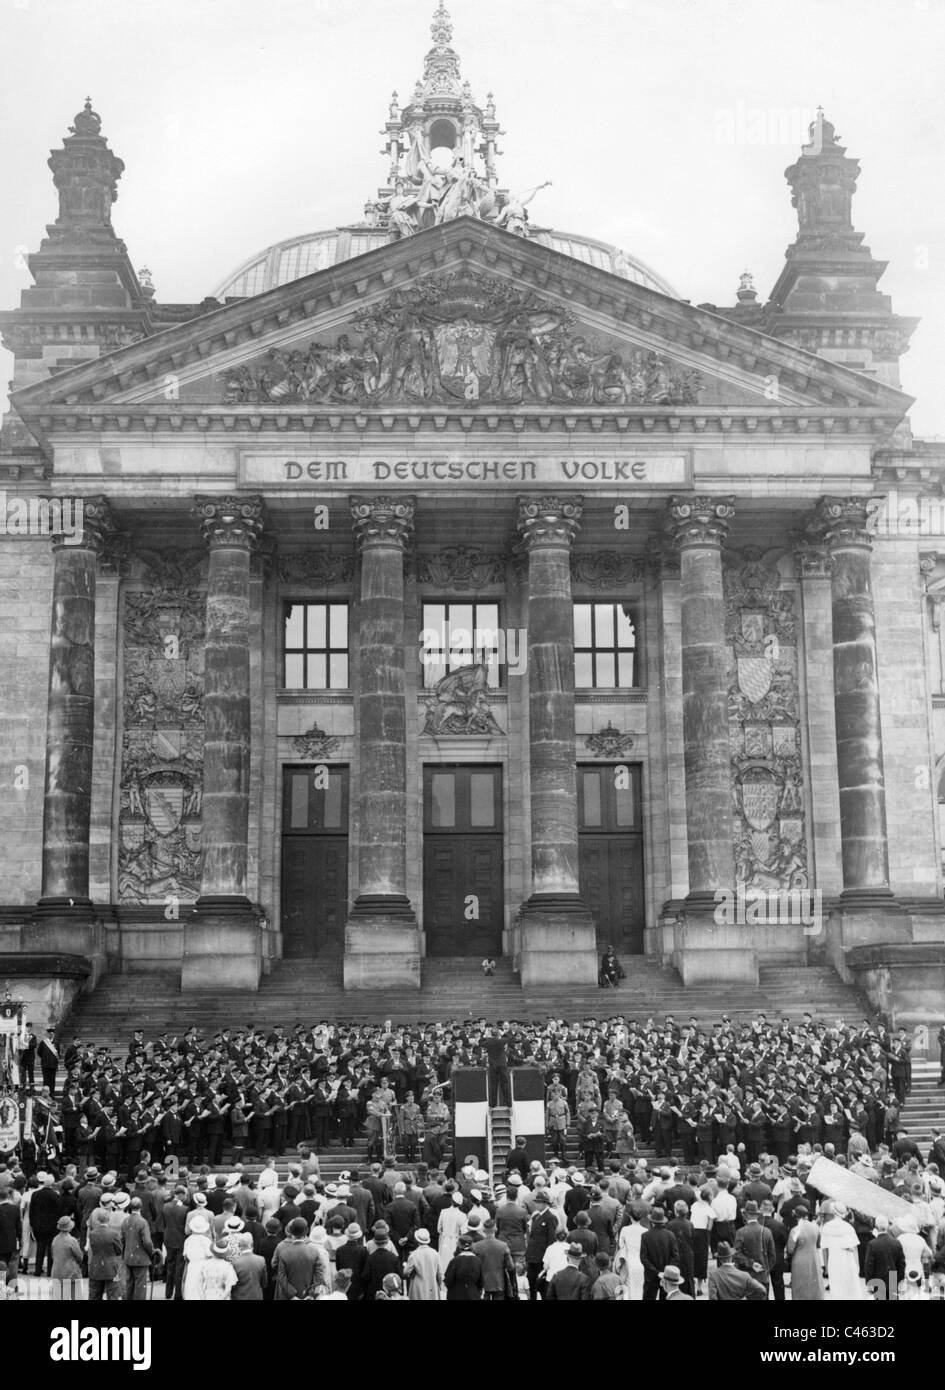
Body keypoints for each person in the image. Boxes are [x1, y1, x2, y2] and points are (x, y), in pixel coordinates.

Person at [820, 1203, 863, 1300]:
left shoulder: (826, 1227)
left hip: (833, 1260)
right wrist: (857, 1267)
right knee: (848, 1288)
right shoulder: (848, 1228)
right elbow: (853, 1249)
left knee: (836, 1288)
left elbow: (824, 1249)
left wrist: (826, 1266)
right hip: (847, 1260)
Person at [784, 1204, 824, 1301]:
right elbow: (818, 1244)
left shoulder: (795, 1230)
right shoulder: (815, 1227)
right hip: (814, 1260)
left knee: (800, 1287)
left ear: (795, 1216)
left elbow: (790, 1249)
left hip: (799, 1261)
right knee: (814, 1287)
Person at [120, 1195, 154, 1301]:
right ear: (141, 1207)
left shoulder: (125, 1221)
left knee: (129, 1284)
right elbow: (147, 1242)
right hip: (140, 1258)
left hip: (128, 1256)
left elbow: (122, 1240)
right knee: (140, 1286)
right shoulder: (142, 1222)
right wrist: (152, 1252)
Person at [87, 1209, 123, 1302]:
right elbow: (119, 1250)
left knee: (95, 1294)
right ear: (108, 1220)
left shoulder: (92, 1234)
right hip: (111, 1266)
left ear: (98, 1220)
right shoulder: (114, 1234)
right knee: (112, 1294)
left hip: (96, 1266)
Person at [403, 1228, 442, 1300]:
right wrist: (439, 1285)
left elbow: (406, 1273)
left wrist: (405, 1265)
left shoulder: (414, 1255)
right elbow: (439, 1273)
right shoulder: (435, 1253)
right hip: (432, 1286)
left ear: (416, 1240)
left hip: (417, 1287)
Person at [50, 1215, 83, 1299]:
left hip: (57, 1273)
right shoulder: (72, 1240)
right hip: (71, 1274)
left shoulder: (55, 1239)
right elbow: (80, 1257)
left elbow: (53, 1255)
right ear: (69, 1228)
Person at [444, 1231, 484, 1300]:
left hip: (455, 1295)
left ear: (459, 1246)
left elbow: (448, 1281)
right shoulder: (478, 1261)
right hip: (473, 1295)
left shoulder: (454, 1261)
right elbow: (481, 1283)